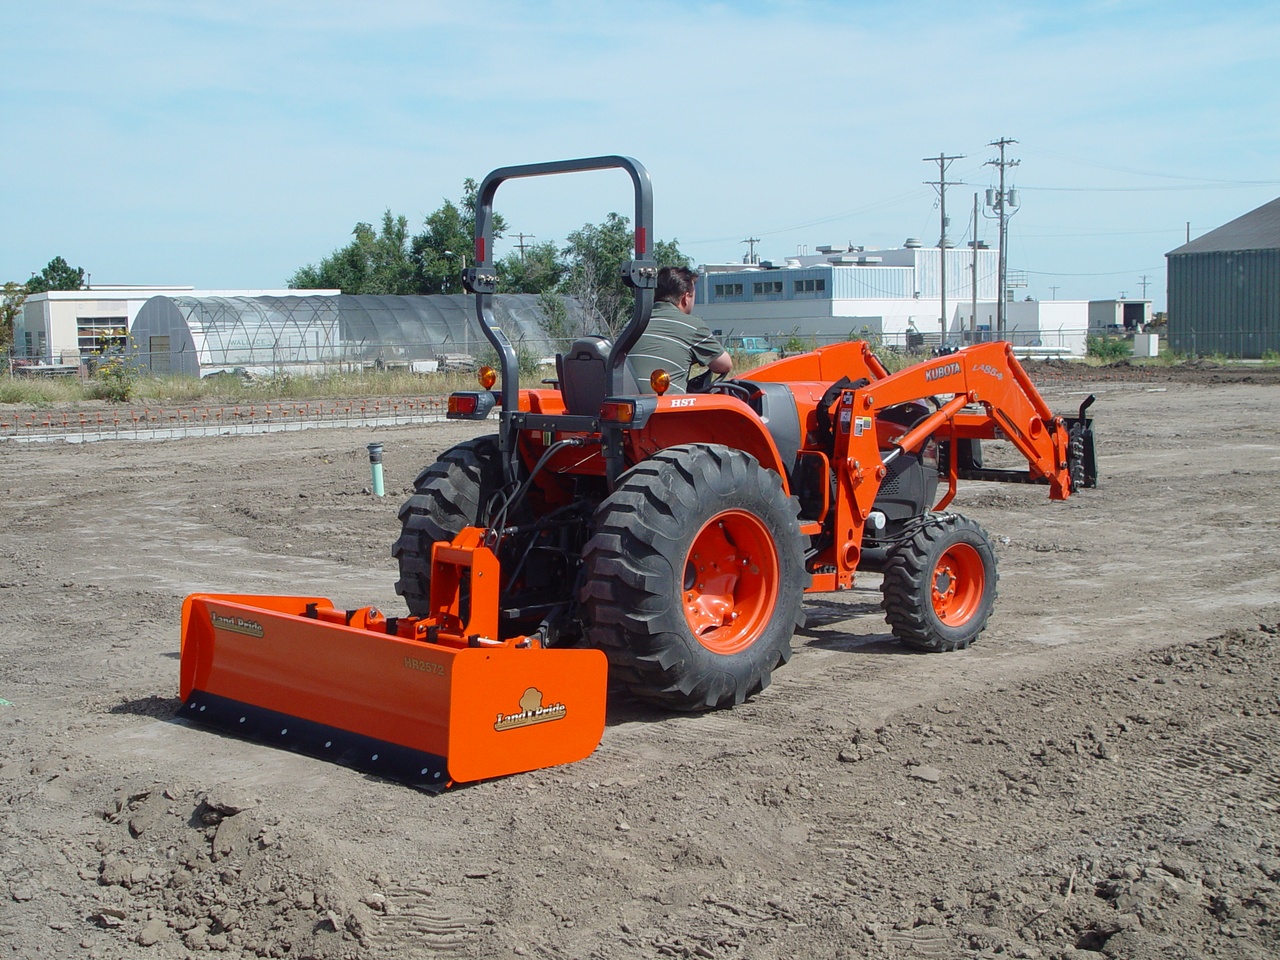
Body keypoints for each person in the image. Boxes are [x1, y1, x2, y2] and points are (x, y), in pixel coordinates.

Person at [629, 265, 732, 392]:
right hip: (665, 407)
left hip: (626, 402)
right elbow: (725, 365)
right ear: (686, 297)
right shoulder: (693, 326)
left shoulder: (632, 324)